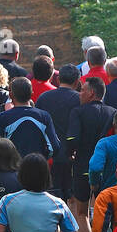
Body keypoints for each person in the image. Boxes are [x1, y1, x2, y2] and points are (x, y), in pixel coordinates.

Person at [65, 76, 117, 232]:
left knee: (82, 213)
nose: (79, 93)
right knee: (106, 213)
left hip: (83, 167)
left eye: (82, 90)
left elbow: (73, 138)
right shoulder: (113, 112)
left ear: (92, 93)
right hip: (107, 170)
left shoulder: (78, 112)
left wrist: (70, 153)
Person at [36, 63, 82, 206]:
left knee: (50, 197)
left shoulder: (44, 98)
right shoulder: (79, 99)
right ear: (77, 82)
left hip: (49, 156)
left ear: (58, 79)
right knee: (72, 199)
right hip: (73, 156)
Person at [0, 77, 61, 162]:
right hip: (37, 167)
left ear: (10, 95)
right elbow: (54, 147)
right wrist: (42, 158)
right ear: (32, 94)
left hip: (12, 169)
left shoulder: (3, 117)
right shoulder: (44, 116)